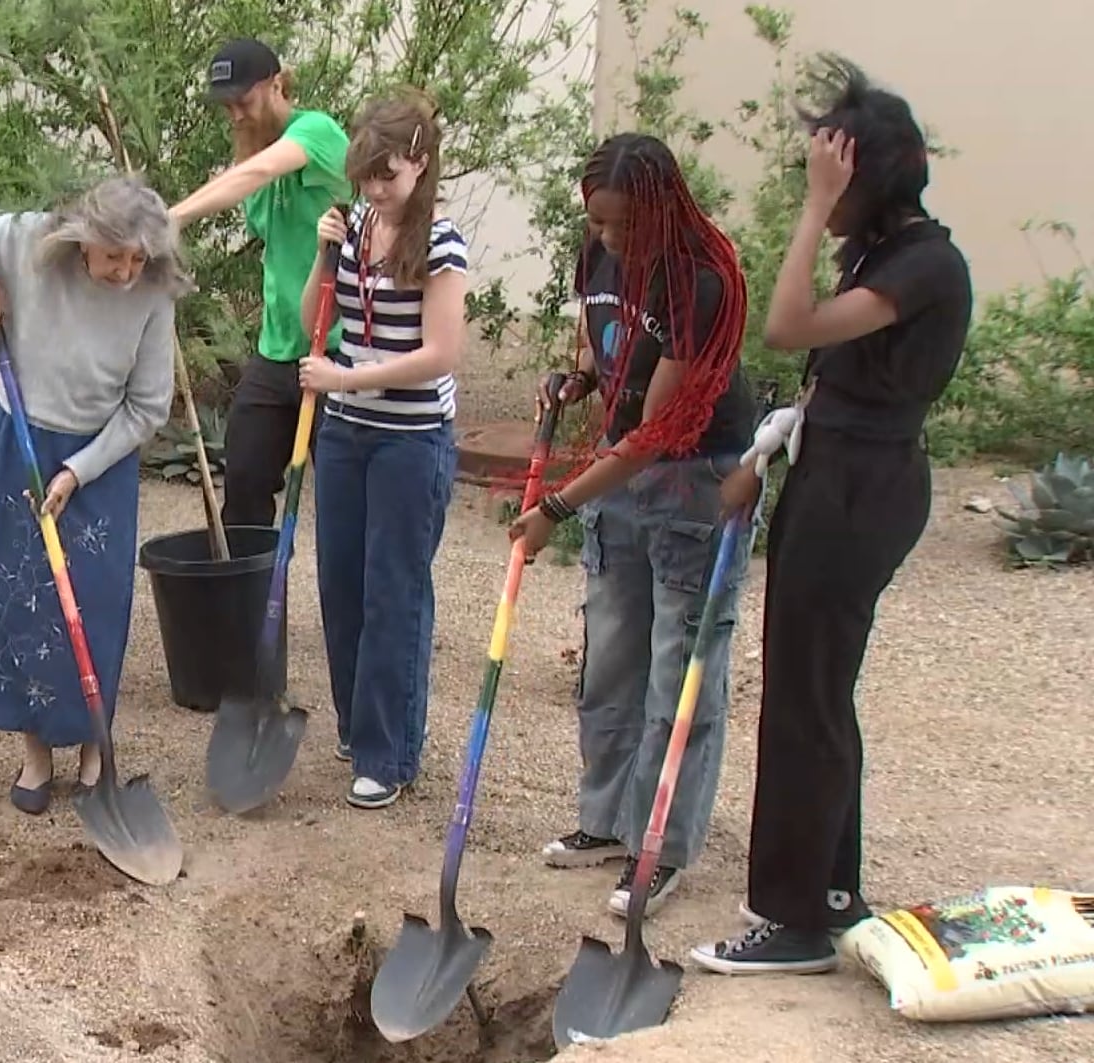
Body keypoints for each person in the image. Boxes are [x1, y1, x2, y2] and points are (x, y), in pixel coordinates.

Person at [691, 57, 973, 975]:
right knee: (816, 689)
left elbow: (788, 326)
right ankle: (835, 890)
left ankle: (795, 917)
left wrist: (814, 208)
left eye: (833, 167)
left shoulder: (927, 264)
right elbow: (822, 382)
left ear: (869, 174)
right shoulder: (888, 254)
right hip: (836, 473)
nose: (818, 183)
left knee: (805, 698)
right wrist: (765, 457)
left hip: (865, 487)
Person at [506, 132, 756, 916]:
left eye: (620, 225)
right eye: (598, 224)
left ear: (659, 209)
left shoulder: (701, 281)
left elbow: (651, 433)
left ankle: (663, 846)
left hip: (692, 475)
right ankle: (608, 821)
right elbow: (598, 335)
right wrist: (578, 377)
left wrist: (555, 506)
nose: (608, 239)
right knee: (611, 657)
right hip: (620, 467)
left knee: (679, 671)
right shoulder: (603, 250)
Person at [0, 177, 183, 814]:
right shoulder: (31, 240)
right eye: (112, 257)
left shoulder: (153, 293)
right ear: (81, 242)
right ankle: (36, 753)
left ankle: (95, 748)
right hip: (19, 442)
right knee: (23, 602)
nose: (126, 271)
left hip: (100, 463)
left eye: (137, 258)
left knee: (93, 604)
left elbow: (146, 408)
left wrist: (79, 470)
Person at [299, 92, 468, 810]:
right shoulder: (354, 226)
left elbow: (440, 354)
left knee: (392, 590)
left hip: (411, 438)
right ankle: (355, 726)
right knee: (340, 583)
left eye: (387, 175)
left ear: (420, 164)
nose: (373, 188)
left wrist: (349, 376)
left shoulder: (441, 242)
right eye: (365, 174)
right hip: (345, 430)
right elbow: (314, 317)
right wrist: (321, 253)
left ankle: (389, 750)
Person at [171, 38, 351, 531]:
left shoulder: (315, 131)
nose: (235, 115)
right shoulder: (253, 152)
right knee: (246, 480)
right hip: (276, 353)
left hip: (336, 347)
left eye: (243, 102)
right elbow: (252, 175)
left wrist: (172, 217)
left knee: (342, 501)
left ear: (277, 86)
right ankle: (251, 607)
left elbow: (260, 171)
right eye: (226, 106)